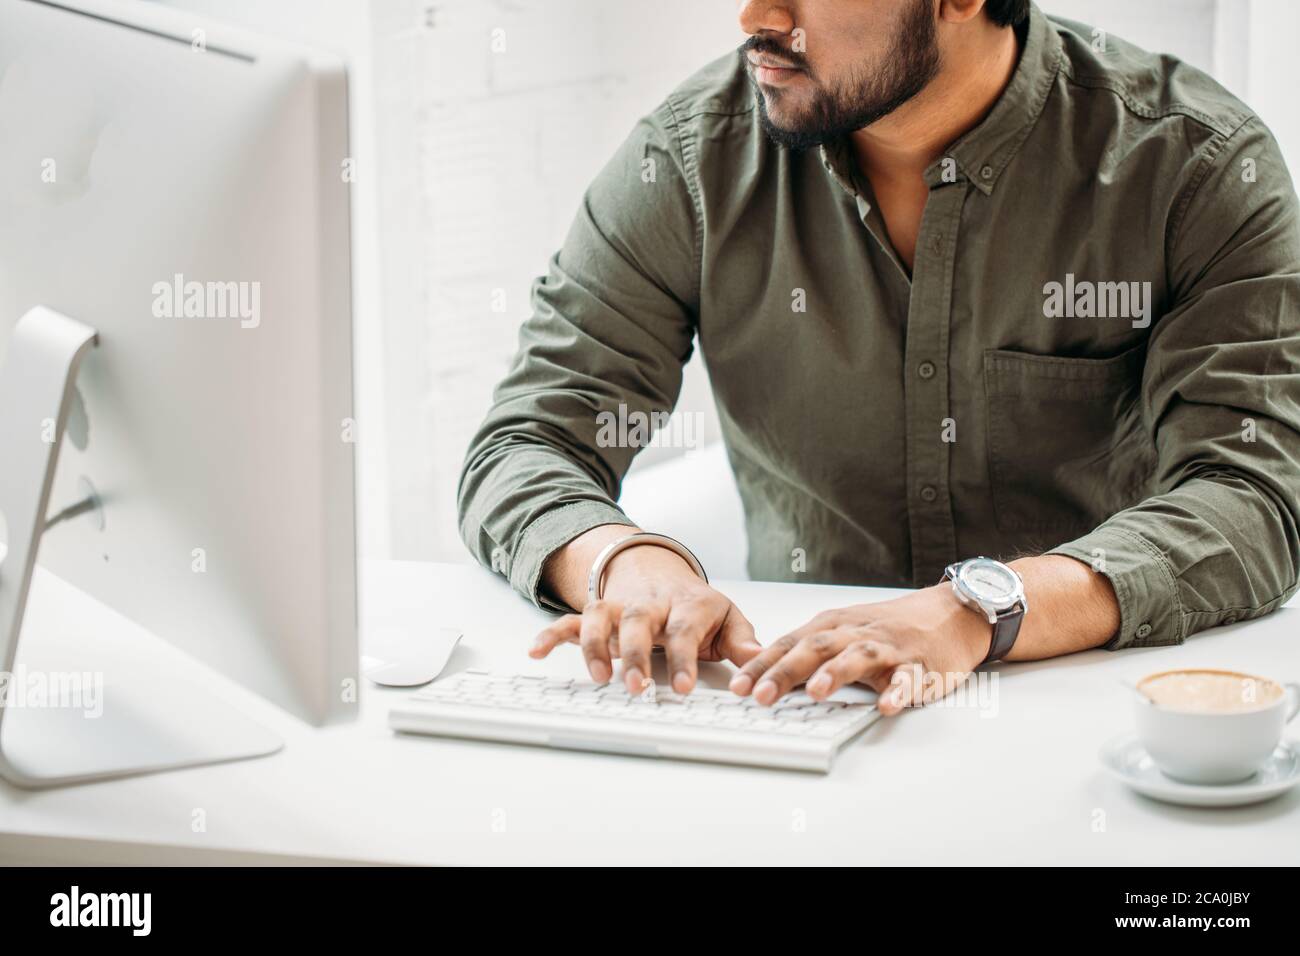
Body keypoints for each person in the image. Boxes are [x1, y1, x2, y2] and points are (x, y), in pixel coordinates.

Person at [458, 0, 1300, 714]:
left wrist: (976, 611)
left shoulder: (1193, 164)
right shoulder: (690, 161)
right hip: (800, 705)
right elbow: (528, 441)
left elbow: (1255, 494)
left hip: (1092, 701)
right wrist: (622, 559)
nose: (756, 16)